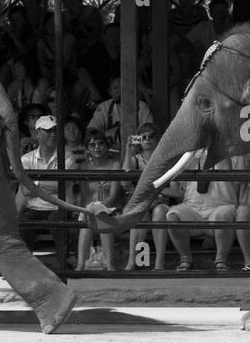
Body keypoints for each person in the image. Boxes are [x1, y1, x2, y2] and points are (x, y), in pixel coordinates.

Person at [165, 155, 250, 272]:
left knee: (224, 214)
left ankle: (221, 260)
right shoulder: (191, 153)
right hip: (192, 207)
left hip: (221, 205)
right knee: (173, 216)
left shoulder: (233, 153)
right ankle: (185, 258)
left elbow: (239, 180)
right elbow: (182, 183)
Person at [122, 123, 176, 271]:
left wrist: (156, 191)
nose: (147, 139)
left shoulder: (166, 159)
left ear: (158, 139)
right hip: (142, 202)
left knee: (159, 213)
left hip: (161, 201)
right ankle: (131, 261)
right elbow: (124, 182)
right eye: (143, 136)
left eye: (151, 136)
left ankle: (159, 263)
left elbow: (177, 191)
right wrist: (128, 152)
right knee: (140, 212)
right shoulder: (136, 159)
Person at [71, 131, 122, 271]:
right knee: (90, 217)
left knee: (102, 216)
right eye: (92, 145)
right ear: (87, 149)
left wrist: (100, 207)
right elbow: (85, 195)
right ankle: (80, 265)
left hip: (112, 208)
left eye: (100, 143)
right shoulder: (83, 167)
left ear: (106, 146)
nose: (97, 147)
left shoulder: (115, 164)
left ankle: (110, 265)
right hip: (89, 208)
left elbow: (114, 195)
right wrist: (91, 209)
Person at [15, 115, 64, 259]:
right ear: (37, 134)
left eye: (55, 130)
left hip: (57, 208)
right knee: (22, 222)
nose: (53, 134)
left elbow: (60, 185)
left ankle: (64, 261)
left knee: (59, 221)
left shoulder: (68, 157)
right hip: (33, 209)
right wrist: (51, 183)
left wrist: (34, 183)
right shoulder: (26, 159)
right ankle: (25, 264)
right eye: (48, 131)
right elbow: (24, 190)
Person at [87, 76, 154, 150]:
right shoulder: (104, 107)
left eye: (124, 87)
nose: (121, 91)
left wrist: (130, 139)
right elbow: (90, 132)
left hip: (137, 151)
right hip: (110, 153)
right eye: (116, 88)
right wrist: (109, 136)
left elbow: (150, 136)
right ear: (110, 92)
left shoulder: (142, 107)